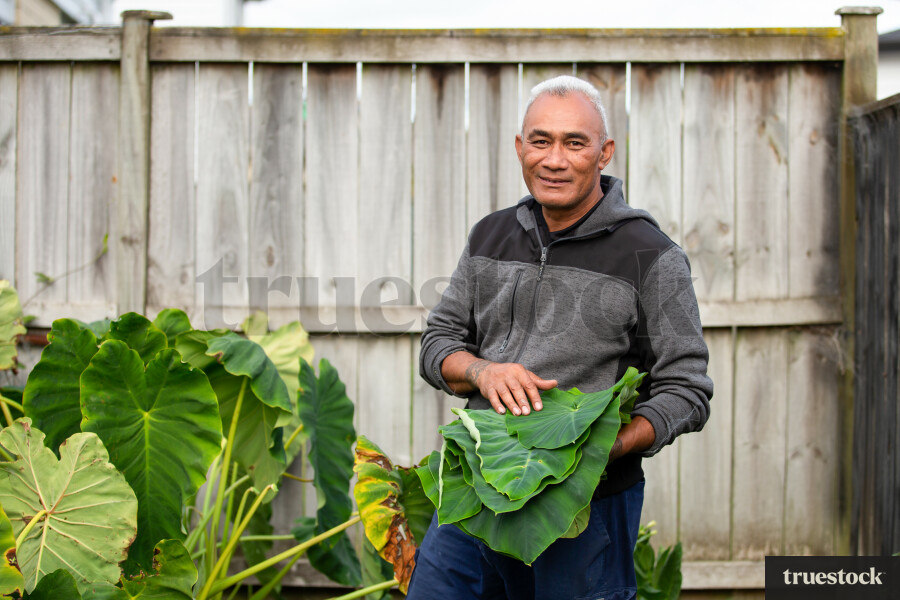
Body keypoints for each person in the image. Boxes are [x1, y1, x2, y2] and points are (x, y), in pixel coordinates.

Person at [407, 75, 713, 600]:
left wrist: (606, 448)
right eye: (541, 140)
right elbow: (437, 343)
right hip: (476, 487)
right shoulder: (489, 236)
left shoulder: (651, 255)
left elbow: (687, 390)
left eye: (575, 143)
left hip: (583, 505)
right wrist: (483, 370)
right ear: (520, 148)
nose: (554, 159)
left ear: (604, 153)